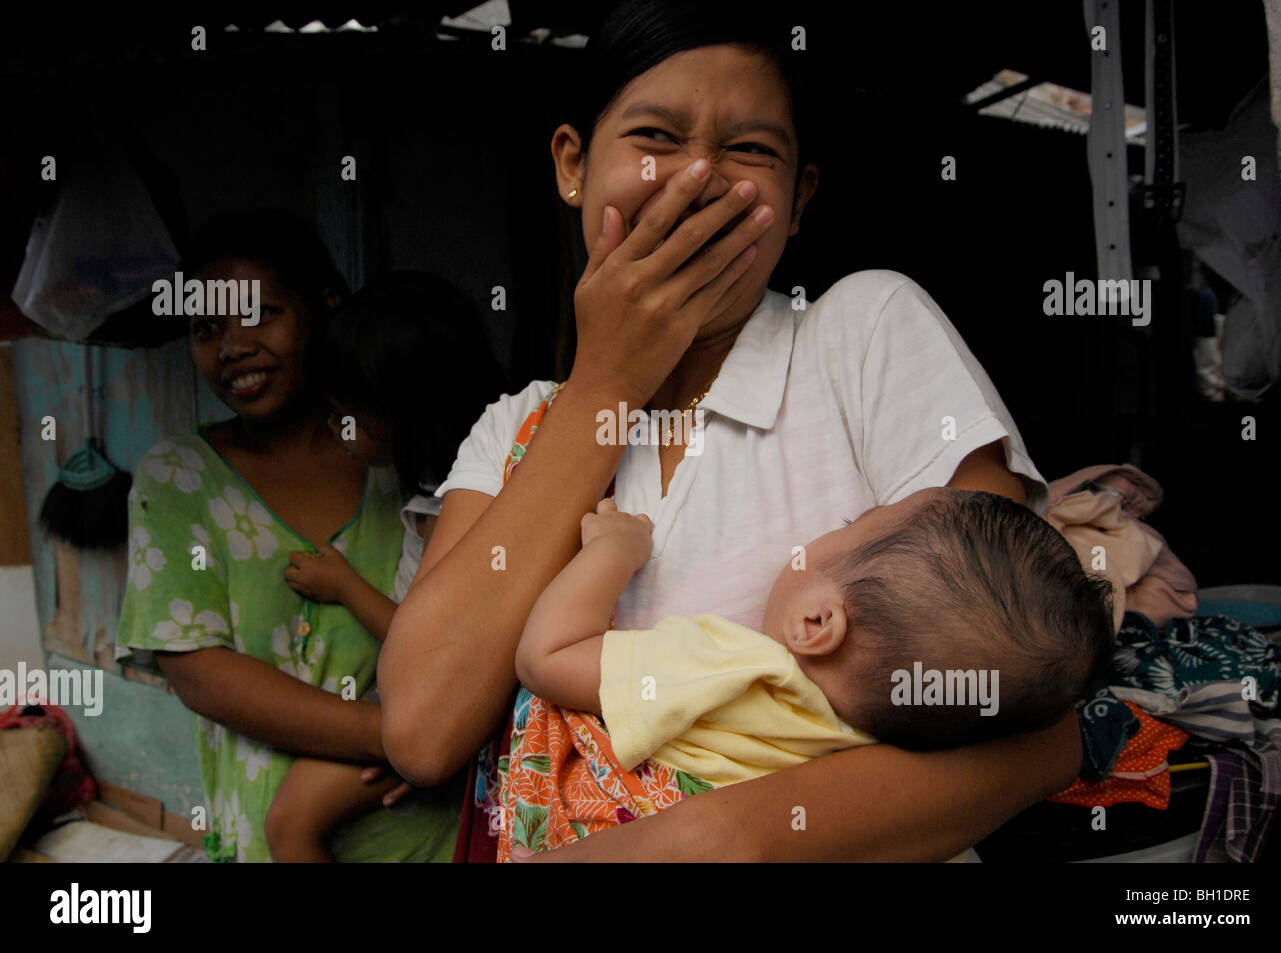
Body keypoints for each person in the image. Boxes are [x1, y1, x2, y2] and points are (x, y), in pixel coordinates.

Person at [380, 1, 1083, 862]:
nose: (700, 177)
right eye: (655, 136)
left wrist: (716, 836)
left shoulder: (864, 334)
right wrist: (608, 380)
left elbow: (1031, 729)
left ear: (797, 202)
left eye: (751, 150)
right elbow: (420, 729)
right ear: (572, 164)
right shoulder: (516, 431)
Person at [115, 212, 460, 862]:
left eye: (260, 313)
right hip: (276, 832)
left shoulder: (396, 454)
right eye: (205, 327)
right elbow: (200, 672)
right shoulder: (180, 479)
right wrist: (400, 734)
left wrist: (435, 733)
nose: (232, 346)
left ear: (324, 305)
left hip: (432, 831)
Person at [510, 489, 1111, 857]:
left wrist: (613, 550)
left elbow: (549, 656)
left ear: (816, 622)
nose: (831, 528)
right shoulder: (891, 777)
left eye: (852, 523)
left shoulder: (736, 669)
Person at [262, 272, 505, 861]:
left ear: (403, 414)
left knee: (290, 822)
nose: (333, 427)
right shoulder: (432, 488)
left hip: (448, 700)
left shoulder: (457, 508)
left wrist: (344, 586)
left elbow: (421, 639)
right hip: (425, 703)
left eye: (347, 412)